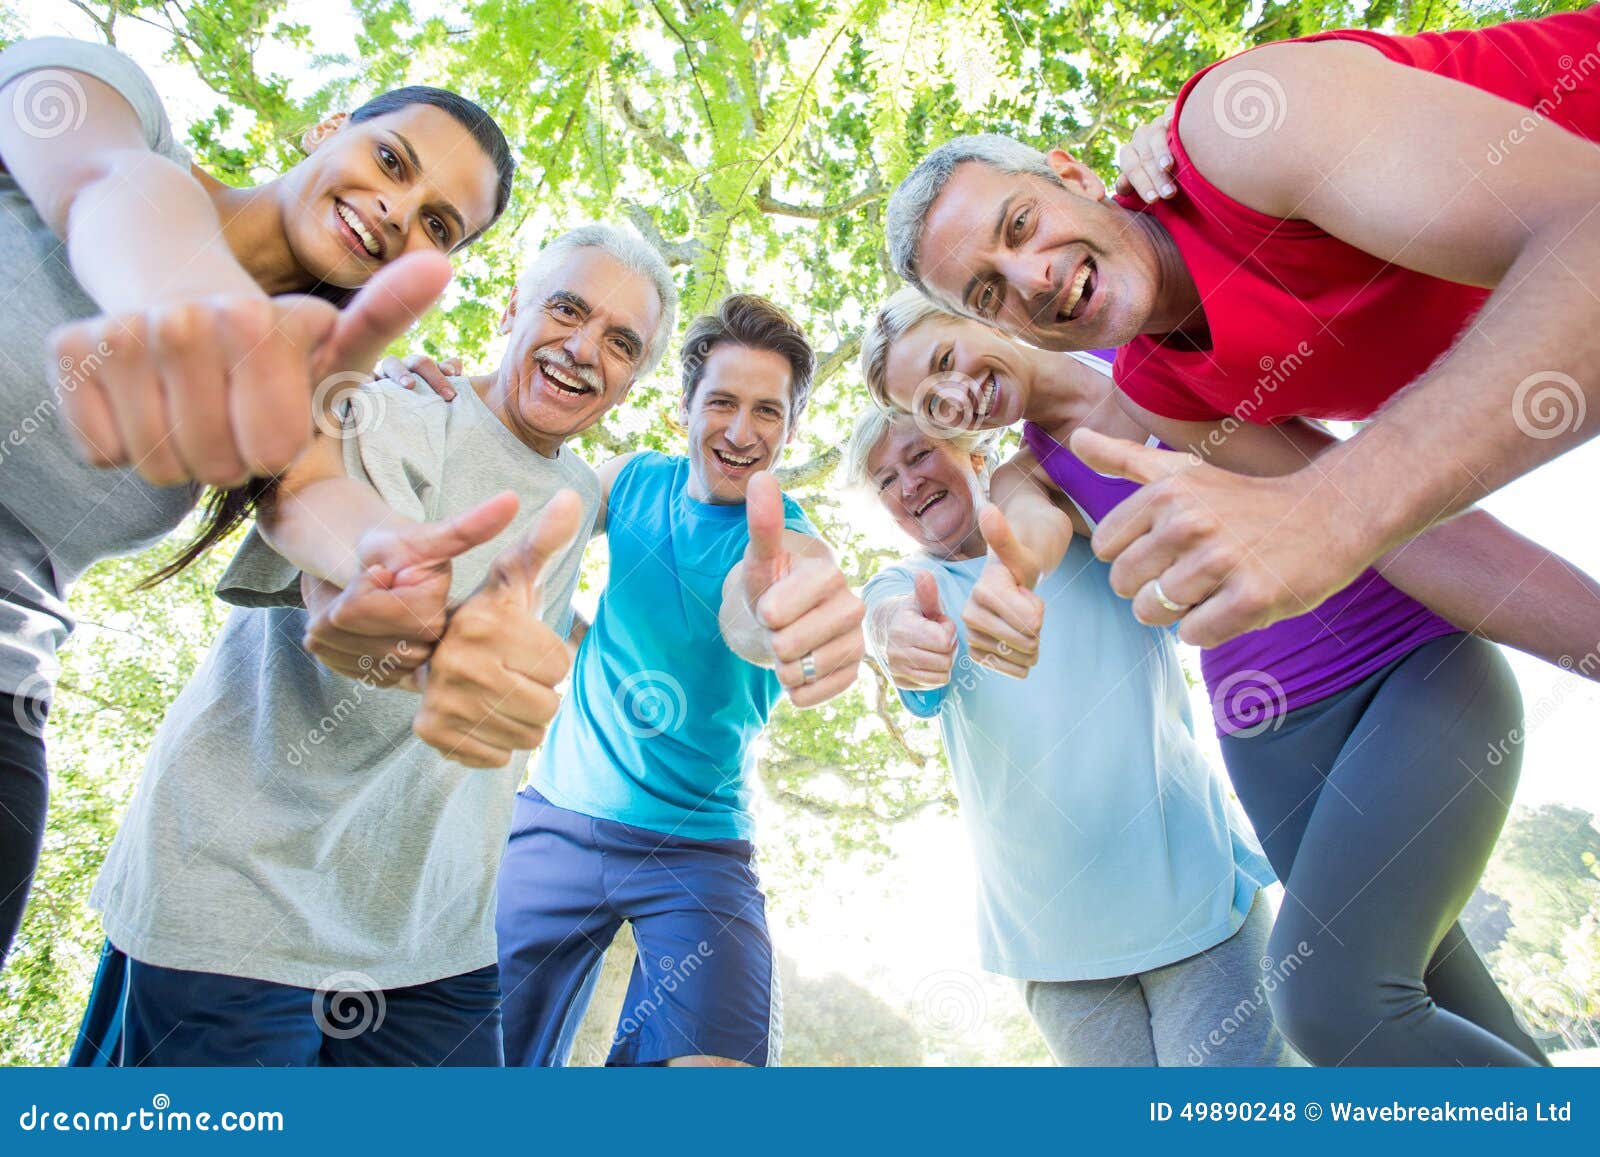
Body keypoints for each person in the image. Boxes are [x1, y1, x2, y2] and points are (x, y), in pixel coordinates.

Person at [858, 287, 1600, 1064]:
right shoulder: (1028, 476)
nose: (957, 393)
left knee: (1334, 1001)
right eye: (932, 404)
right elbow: (1029, 534)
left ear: (979, 315)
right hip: (1271, 739)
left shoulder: (1141, 332)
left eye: (946, 360)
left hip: (1401, 655)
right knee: (1440, 997)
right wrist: (1013, 577)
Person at [74, 224, 675, 1066]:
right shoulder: (389, 411)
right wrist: (417, 646)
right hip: (242, 894)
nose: (583, 349)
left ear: (631, 383)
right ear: (510, 308)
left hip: (432, 933)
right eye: (566, 309)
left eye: (620, 343)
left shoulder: (577, 492)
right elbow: (342, 589)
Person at [0, 35, 514, 970]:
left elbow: (314, 497)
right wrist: (196, 303)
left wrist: (399, 565)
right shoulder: (113, 108)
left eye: (440, 227)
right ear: (329, 127)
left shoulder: (310, 379)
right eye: (390, 161)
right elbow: (104, 180)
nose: (398, 212)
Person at [883, 7, 1600, 647]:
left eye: (1020, 224)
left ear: (1075, 178)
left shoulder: (1232, 129)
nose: (1030, 279)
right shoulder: (1163, 393)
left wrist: (1329, 512)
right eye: (987, 293)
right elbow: (1416, 536)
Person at [848, 407, 1292, 1066]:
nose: (907, 484)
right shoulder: (913, 586)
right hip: (1053, 945)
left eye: (918, 455)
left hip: (1194, 896)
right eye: (885, 478)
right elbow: (884, 620)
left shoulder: (1089, 534)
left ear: (976, 453)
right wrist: (896, 635)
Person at [492, 294, 865, 1067]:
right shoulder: (629, 481)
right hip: (557, 819)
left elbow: (751, 616)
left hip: (698, 851)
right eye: (722, 402)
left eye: (768, 411)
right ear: (683, 411)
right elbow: (526, 530)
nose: (740, 429)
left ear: (791, 431)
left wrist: (771, 616)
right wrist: (580, 642)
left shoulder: (788, 540)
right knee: (470, 1054)